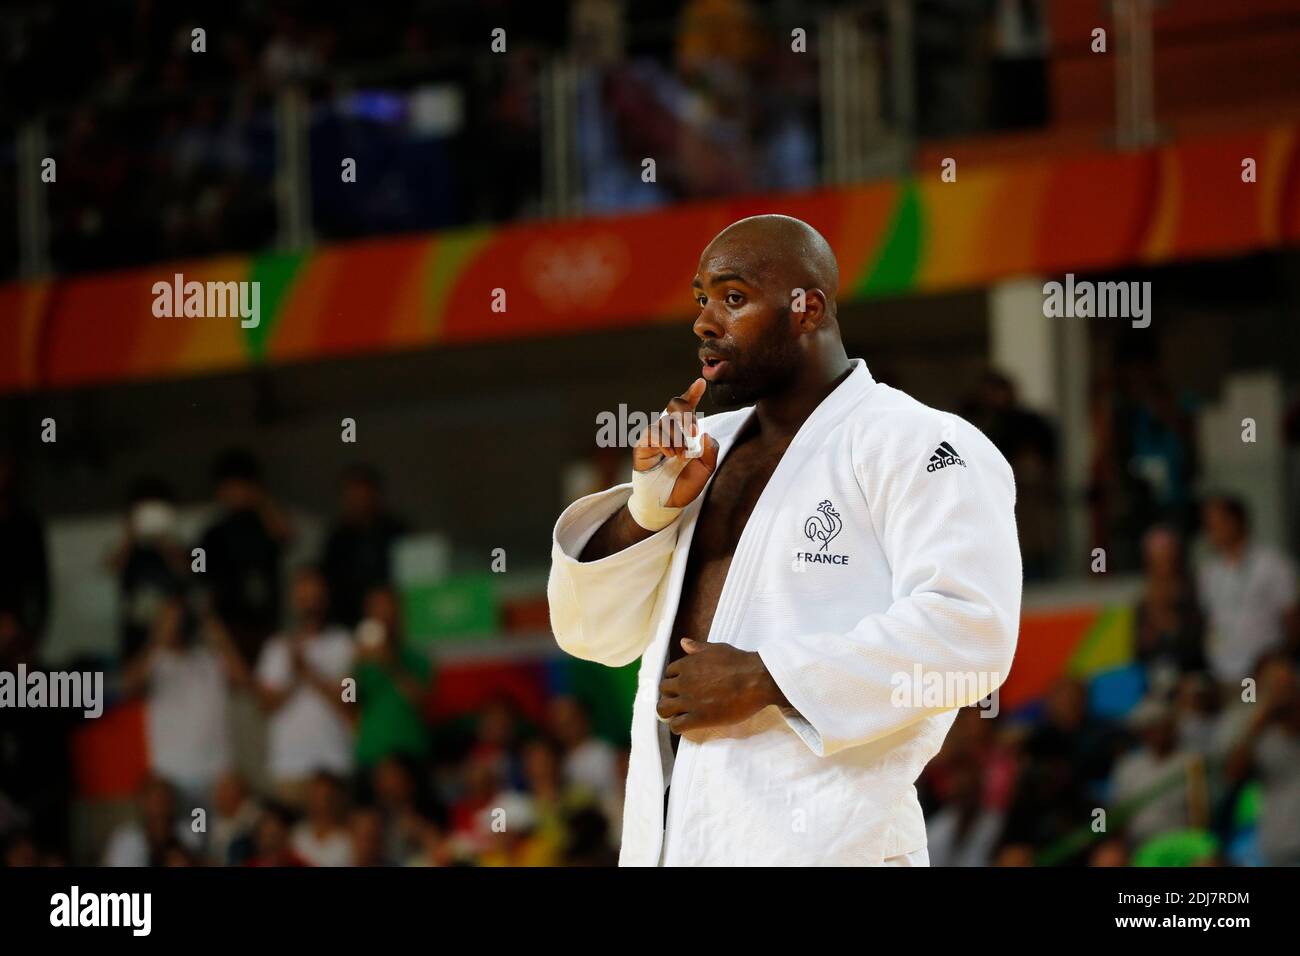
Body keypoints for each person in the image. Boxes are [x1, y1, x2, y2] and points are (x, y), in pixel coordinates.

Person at [547, 215, 1022, 866]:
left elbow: (972, 632)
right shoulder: (704, 452)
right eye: (702, 299)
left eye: (733, 298)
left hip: (831, 845)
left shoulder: (923, 444)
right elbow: (593, 636)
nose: (705, 322)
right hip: (673, 844)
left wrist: (770, 678)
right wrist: (646, 513)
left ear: (807, 309)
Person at [255, 566, 356, 807]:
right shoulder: (276, 647)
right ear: (294, 600)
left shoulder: (344, 644)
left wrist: (309, 672)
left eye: (315, 596)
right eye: (304, 597)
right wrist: (295, 677)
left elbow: (349, 701)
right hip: (290, 766)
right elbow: (265, 705)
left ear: (326, 599)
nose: (310, 603)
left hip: (334, 763)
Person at [197, 449, 293, 665]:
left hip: (267, 625)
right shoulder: (213, 533)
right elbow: (199, 576)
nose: (234, 493)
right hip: (228, 631)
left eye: (240, 485)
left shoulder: (266, 523)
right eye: (228, 487)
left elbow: (287, 536)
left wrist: (260, 499)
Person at [1196, 494, 1298, 687]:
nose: (1211, 530)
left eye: (1216, 523)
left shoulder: (1273, 564)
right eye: (1207, 524)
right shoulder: (1209, 571)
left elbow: (1293, 619)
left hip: (1258, 672)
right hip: (1221, 672)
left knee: (1248, 712)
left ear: (1237, 522)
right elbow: (1210, 619)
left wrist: (1281, 660)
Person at [353, 585, 432, 769]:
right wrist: (353, 667)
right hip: (371, 754)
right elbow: (348, 701)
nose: (384, 616)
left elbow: (420, 701)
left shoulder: (417, 659)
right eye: (377, 609)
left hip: (410, 755)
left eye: (388, 608)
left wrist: (389, 663)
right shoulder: (361, 660)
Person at [321, 465, 408, 629]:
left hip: (394, 619)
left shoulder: (396, 531)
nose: (358, 498)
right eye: (351, 493)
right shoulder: (337, 538)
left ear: (375, 493)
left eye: (362, 491)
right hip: (347, 622)